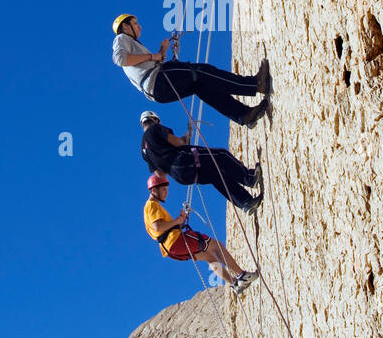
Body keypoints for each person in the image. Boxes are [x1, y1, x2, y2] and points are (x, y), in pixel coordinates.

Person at [111, 13, 271, 127]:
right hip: (159, 80)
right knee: (202, 72)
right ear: (125, 26)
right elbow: (121, 59)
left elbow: (150, 61)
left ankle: (243, 115)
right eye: (135, 23)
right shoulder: (122, 39)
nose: (139, 26)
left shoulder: (134, 45)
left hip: (157, 89)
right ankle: (256, 84)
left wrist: (162, 51)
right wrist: (153, 56)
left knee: (201, 86)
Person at [143, 174, 257, 291]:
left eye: (166, 190)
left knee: (209, 257)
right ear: (153, 190)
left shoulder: (152, 207)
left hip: (170, 249)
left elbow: (163, 229)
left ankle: (234, 284)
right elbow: (158, 227)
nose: (166, 192)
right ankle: (241, 275)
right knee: (215, 246)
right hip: (176, 241)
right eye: (163, 190)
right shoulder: (152, 205)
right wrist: (178, 220)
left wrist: (180, 222)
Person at [140, 110, 263, 213]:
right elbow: (177, 143)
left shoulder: (143, 150)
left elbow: (160, 174)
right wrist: (186, 137)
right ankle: (249, 178)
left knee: (217, 177)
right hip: (184, 159)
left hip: (180, 176)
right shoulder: (154, 129)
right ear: (155, 120)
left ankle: (246, 203)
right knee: (221, 155)